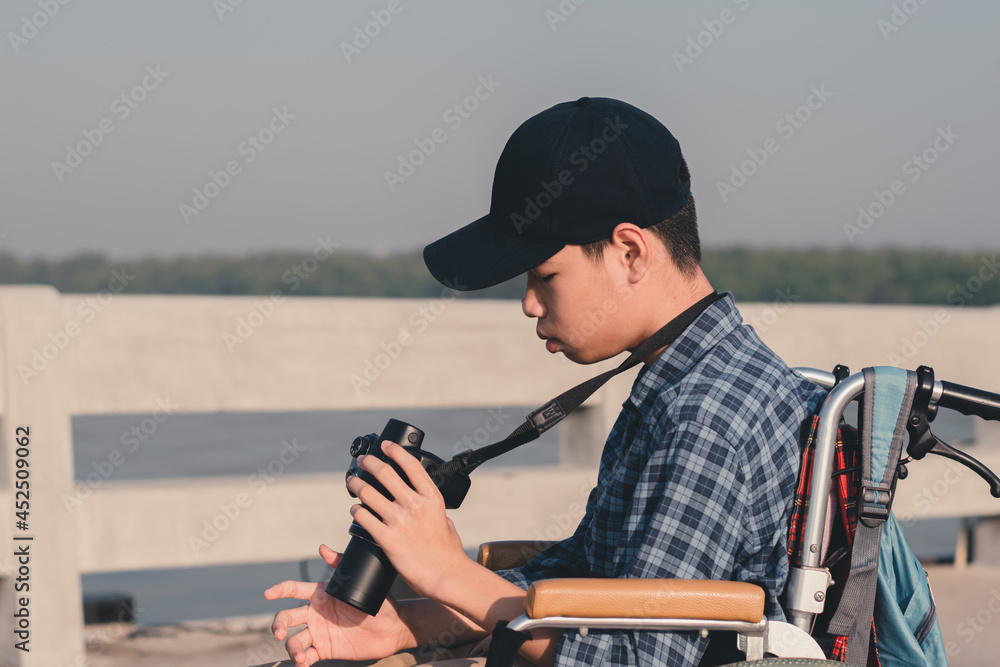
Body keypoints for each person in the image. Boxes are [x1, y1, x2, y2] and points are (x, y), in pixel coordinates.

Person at [262, 97, 826, 666]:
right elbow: (587, 581)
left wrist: (446, 570)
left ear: (630, 252)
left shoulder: (705, 416)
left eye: (545, 275)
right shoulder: (695, 378)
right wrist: (406, 623)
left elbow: (632, 658)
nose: (529, 303)